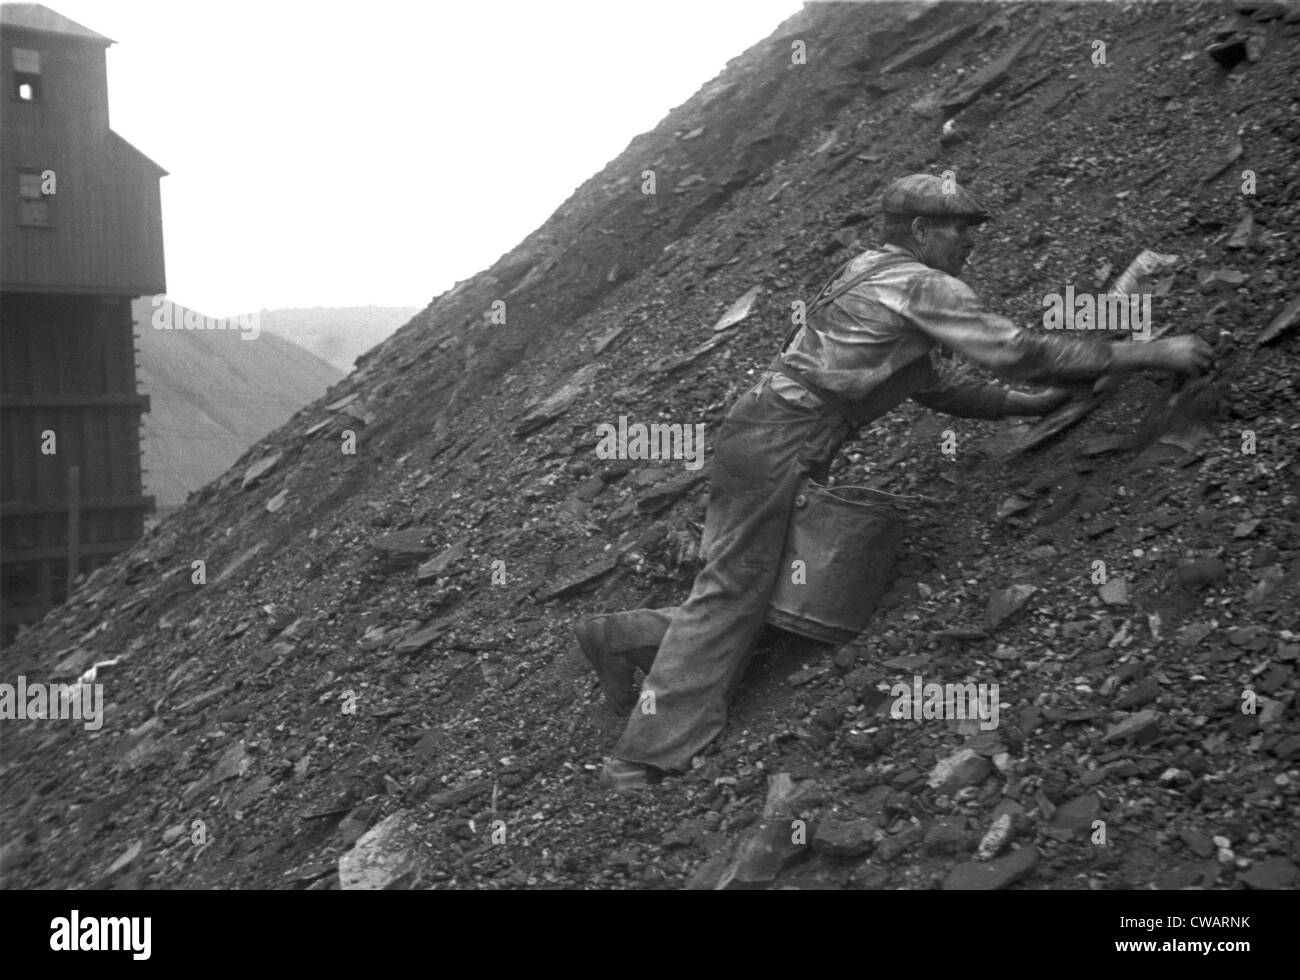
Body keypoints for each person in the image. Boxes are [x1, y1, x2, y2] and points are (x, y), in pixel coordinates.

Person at [579, 173, 1214, 791]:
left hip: (771, 429)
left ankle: (619, 636)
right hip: (782, 435)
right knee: (733, 588)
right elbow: (1014, 350)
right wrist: (1150, 353)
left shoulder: (869, 270)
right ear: (919, 229)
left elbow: (928, 383)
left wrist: (1025, 407)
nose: (971, 242)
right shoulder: (920, 283)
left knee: (758, 585)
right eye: (960, 230)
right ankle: (642, 759)